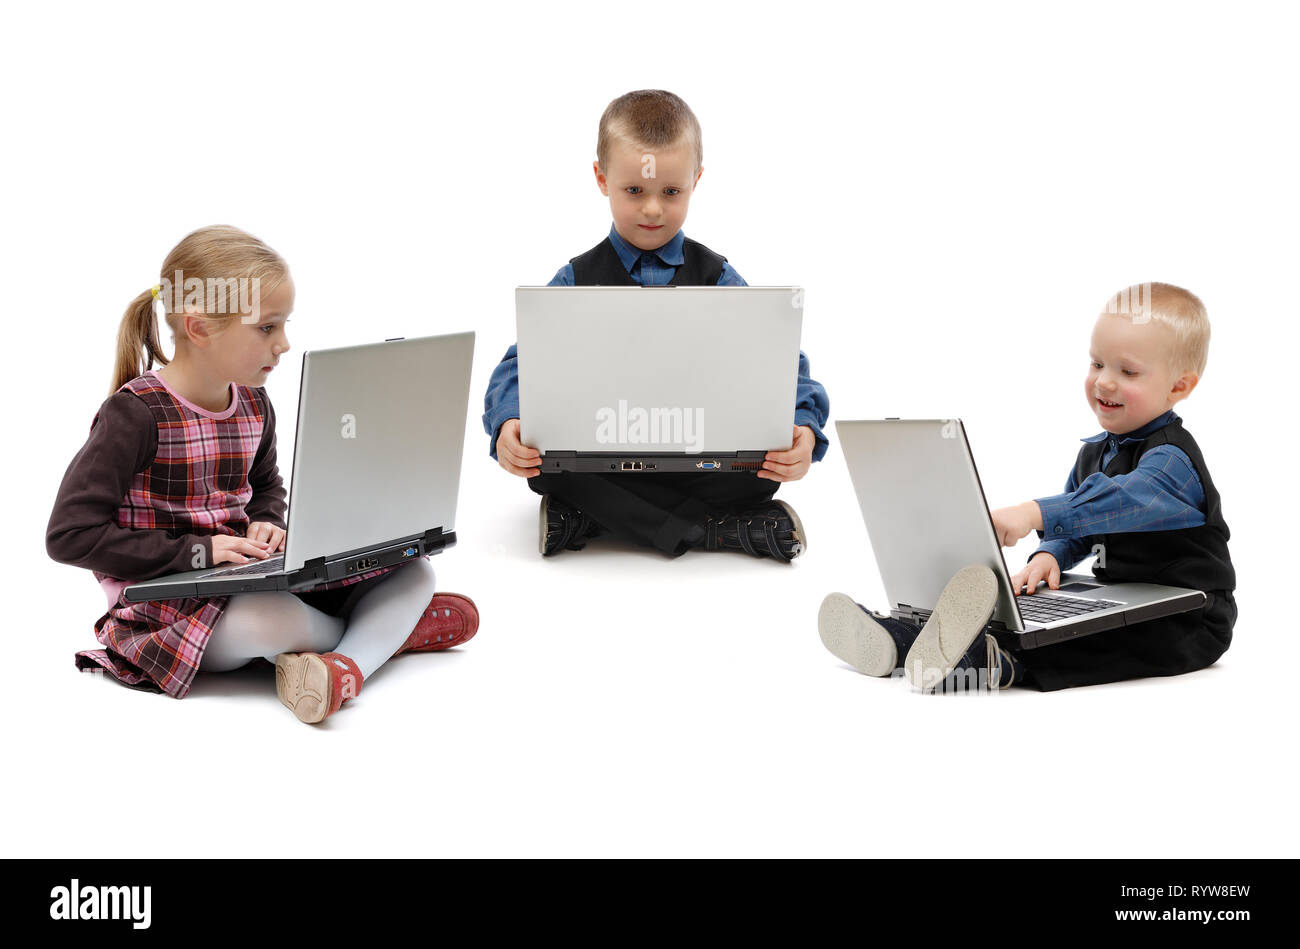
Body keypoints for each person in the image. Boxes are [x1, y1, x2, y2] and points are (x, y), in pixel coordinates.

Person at [47, 225, 479, 724]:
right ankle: (386, 637)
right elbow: (68, 536)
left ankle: (345, 665)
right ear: (199, 328)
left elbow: (267, 485)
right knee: (271, 620)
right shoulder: (135, 414)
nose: (284, 344)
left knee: (415, 568)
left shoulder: (253, 400)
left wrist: (266, 519)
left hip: (244, 576)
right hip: (167, 604)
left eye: (284, 325)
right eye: (267, 328)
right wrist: (197, 551)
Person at [818, 282, 1235, 692]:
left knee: (1094, 642)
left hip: (1190, 615)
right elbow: (1080, 525)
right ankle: (903, 636)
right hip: (1119, 597)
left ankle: (994, 661)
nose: (1104, 382)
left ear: (1179, 387)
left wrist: (1033, 512)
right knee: (1029, 615)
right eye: (1096, 364)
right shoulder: (1096, 453)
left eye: (1127, 371)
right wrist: (1049, 553)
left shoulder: (1171, 462)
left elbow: (1117, 502)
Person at [483, 89, 830, 561]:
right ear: (602, 180)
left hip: (697, 455)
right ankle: (716, 531)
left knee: (760, 471)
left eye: (671, 192)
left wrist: (803, 428)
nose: (652, 209)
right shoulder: (574, 280)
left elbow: (782, 361)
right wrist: (508, 424)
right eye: (634, 191)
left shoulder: (719, 277)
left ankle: (593, 518)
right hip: (605, 455)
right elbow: (516, 366)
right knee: (547, 468)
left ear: (695, 181)